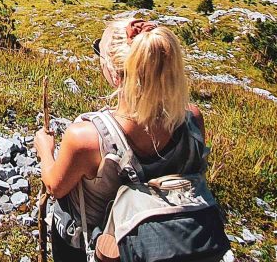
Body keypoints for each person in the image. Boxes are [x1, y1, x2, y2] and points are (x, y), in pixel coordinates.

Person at [34, 13, 209, 261]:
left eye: (101, 55)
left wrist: (45, 149)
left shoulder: (88, 137)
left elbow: (55, 186)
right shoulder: (192, 119)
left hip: (99, 248)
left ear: (116, 75)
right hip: (171, 242)